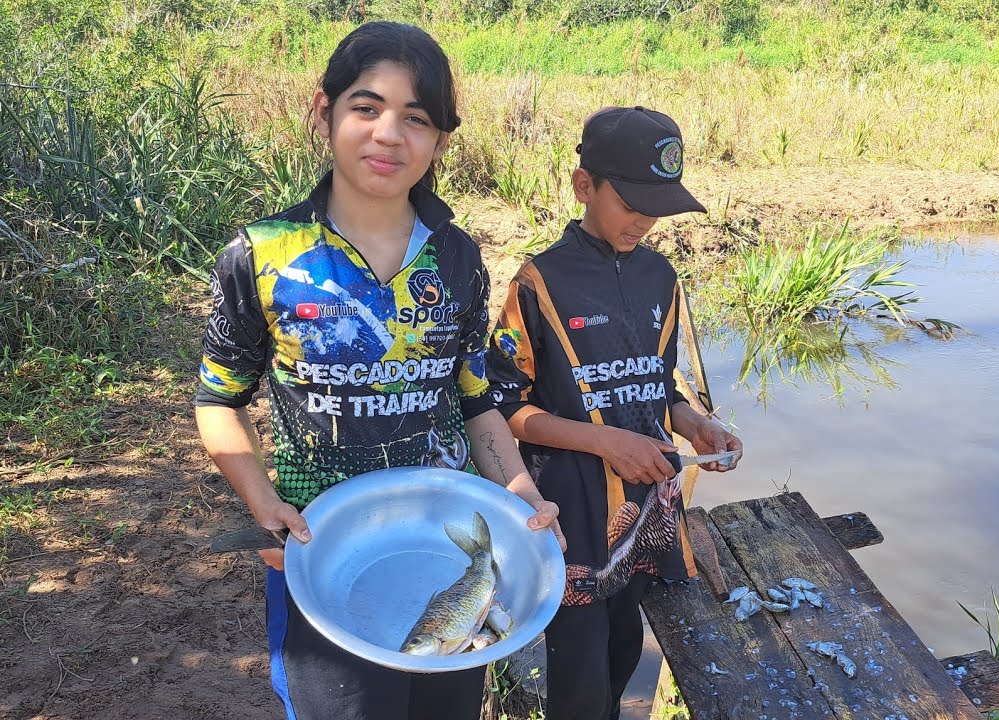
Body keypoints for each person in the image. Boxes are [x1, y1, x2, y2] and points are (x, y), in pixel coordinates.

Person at [193, 22, 564, 720]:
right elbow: (218, 400)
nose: (389, 134)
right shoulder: (263, 256)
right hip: (322, 551)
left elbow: (476, 399)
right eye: (367, 107)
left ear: (441, 141)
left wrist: (517, 492)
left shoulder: (457, 259)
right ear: (323, 109)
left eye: (416, 118)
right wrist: (262, 503)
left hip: (441, 547)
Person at [485, 106, 744, 720]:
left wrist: (696, 423)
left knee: (626, 644)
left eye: (656, 208)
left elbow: (660, 388)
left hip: (644, 505)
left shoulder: (661, 276)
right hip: (570, 511)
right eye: (630, 204)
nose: (644, 222)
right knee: (578, 670)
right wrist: (604, 443)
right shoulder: (539, 283)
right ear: (584, 186)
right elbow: (505, 409)